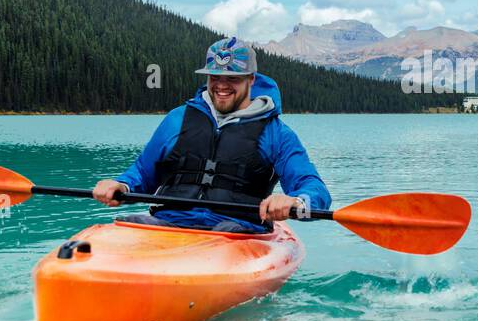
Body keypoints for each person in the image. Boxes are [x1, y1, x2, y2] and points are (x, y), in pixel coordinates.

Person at [92, 37, 330, 232]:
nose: (221, 85)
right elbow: (143, 172)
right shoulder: (177, 119)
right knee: (129, 223)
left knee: (228, 229)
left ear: (251, 80)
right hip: (167, 225)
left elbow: (314, 188)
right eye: (215, 77)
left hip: (237, 231)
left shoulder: (277, 133)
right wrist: (121, 184)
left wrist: (296, 201)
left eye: (232, 78)